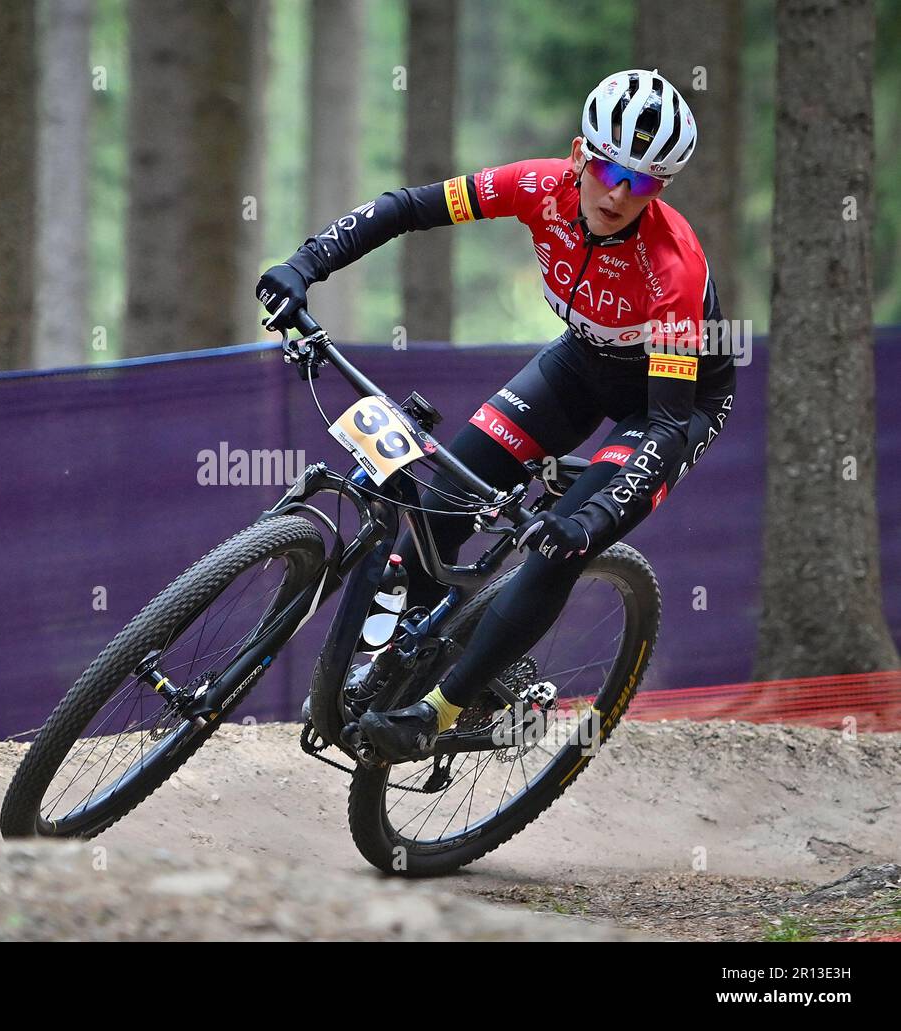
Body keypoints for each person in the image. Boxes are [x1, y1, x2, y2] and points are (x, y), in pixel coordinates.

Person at [255, 69, 736, 763]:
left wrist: (590, 522)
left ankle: (440, 710)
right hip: (580, 361)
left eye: (644, 183)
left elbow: (664, 425)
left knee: (558, 547)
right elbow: (406, 208)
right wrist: (306, 265)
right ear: (578, 153)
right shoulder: (537, 185)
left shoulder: (672, 267)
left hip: (669, 405)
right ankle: (399, 657)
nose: (619, 194)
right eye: (607, 168)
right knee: (440, 506)